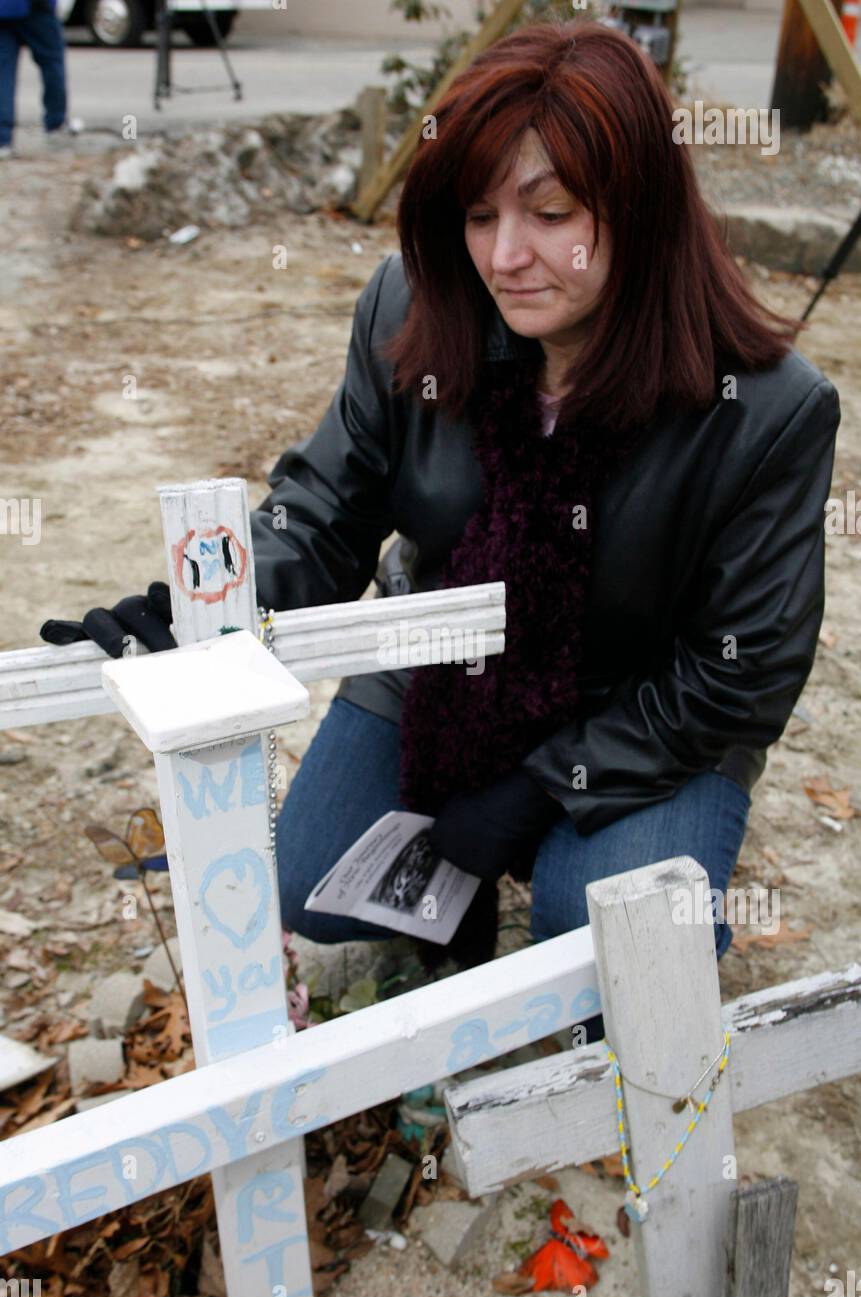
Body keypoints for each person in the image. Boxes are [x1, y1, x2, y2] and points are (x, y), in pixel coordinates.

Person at [42, 22, 841, 1015]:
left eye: (551, 213)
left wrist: (545, 788)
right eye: (477, 213)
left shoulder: (764, 408)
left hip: (643, 702)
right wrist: (206, 600)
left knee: (603, 932)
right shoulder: (413, 311)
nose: (507, 256)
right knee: (308, 881)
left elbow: (745, 670)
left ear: (640, 208)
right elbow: (323, 512)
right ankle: (464, 885)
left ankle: (619, 845)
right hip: (439, 663)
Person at [0, 0, 70, 157]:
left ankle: (2, 140)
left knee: (3, 72)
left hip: (3, 10)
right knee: (52, 62)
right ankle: (55, 123)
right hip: (36, 7)